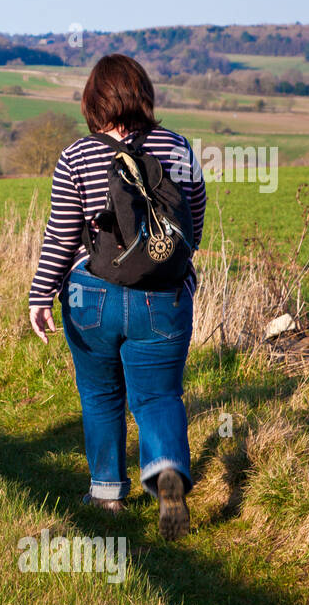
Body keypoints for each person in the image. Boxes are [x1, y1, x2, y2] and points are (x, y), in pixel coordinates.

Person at [28, 54, 206, 541]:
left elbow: (62, 234)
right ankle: (166, 475)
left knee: (100, 395)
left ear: (92, 101)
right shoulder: (178, 148)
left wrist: (40, 294)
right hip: (163, 298)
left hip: (94, 298)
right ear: (142, 93)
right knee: (159, 396)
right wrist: (177, 269)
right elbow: (193, 222)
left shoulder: (77, 155)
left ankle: (107, 493)